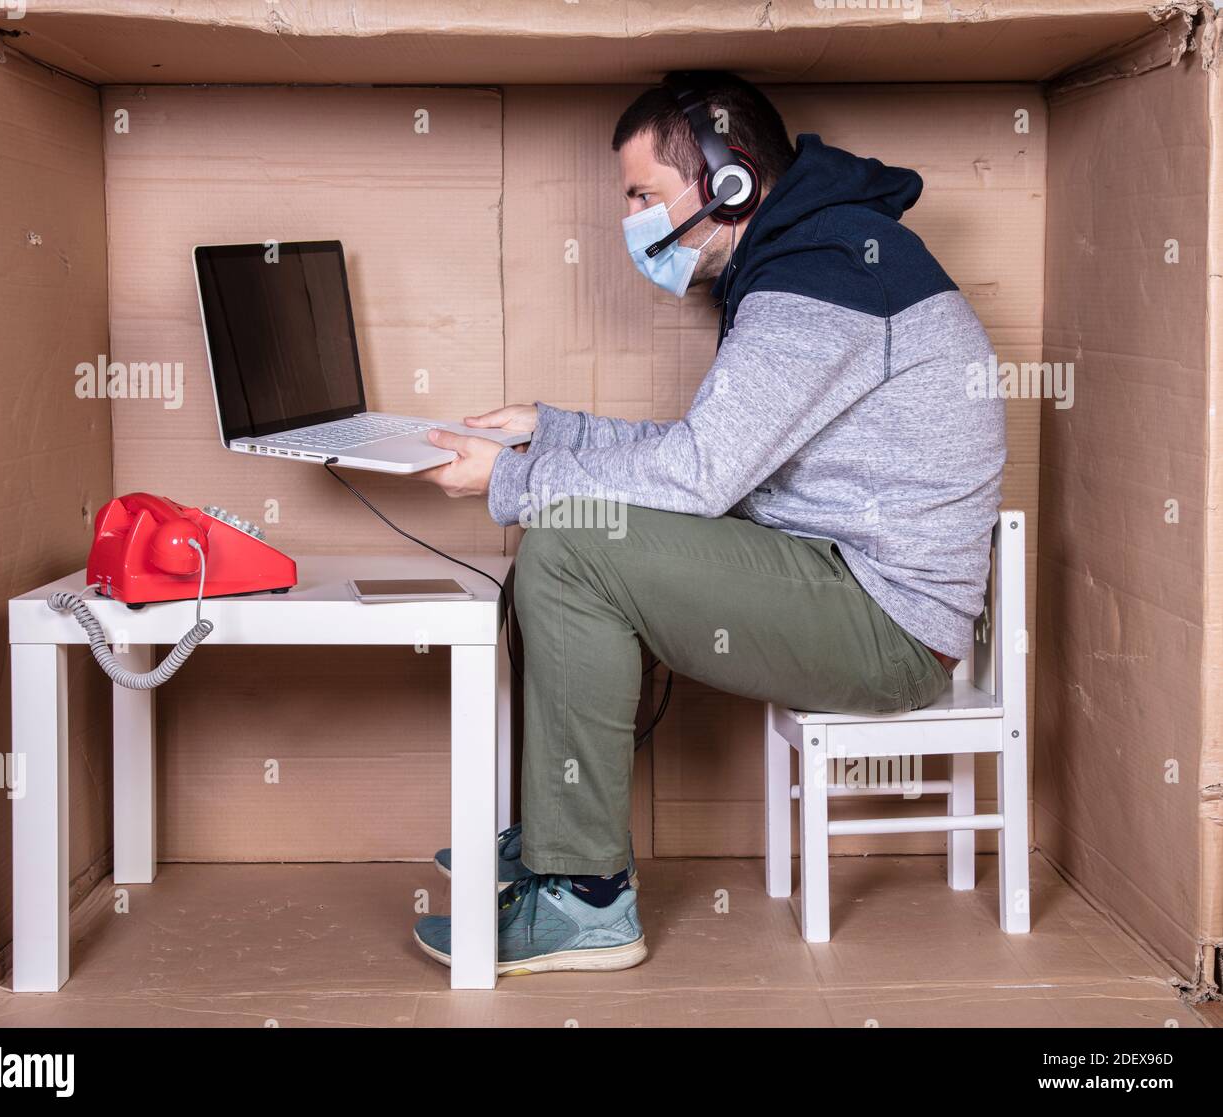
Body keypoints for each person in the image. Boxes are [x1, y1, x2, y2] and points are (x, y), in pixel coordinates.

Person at [411, 71, 1004, 976]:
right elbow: (714, 453)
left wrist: (518, 479)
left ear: (731, 181)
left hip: (887, 624)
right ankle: (559, 841)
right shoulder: (811, 254)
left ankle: (587, 899)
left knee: (571, 547)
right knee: (570, 530)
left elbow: (698, 474)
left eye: (644, 195)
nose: (633, 222)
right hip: (835, 575)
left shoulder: (822, 277)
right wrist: (554, 430)